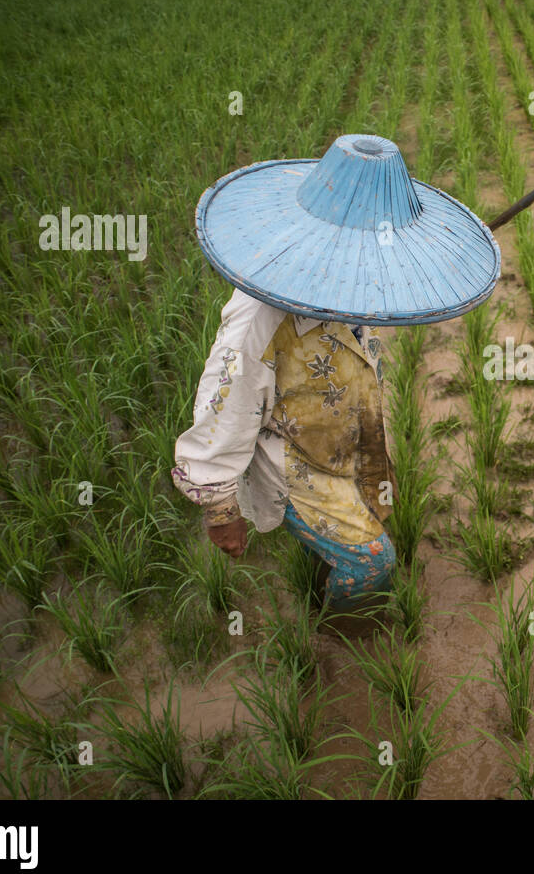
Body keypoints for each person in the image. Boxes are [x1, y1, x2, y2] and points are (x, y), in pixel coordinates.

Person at [171, 133, 502, 608]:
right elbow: (223, 412)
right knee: (372, 563)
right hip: (298, 463)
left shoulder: (356, 278)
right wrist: (221, 512)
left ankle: (322, 570)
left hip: (349, 435)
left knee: (376, 505)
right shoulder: (258, 321)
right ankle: (339, 635)